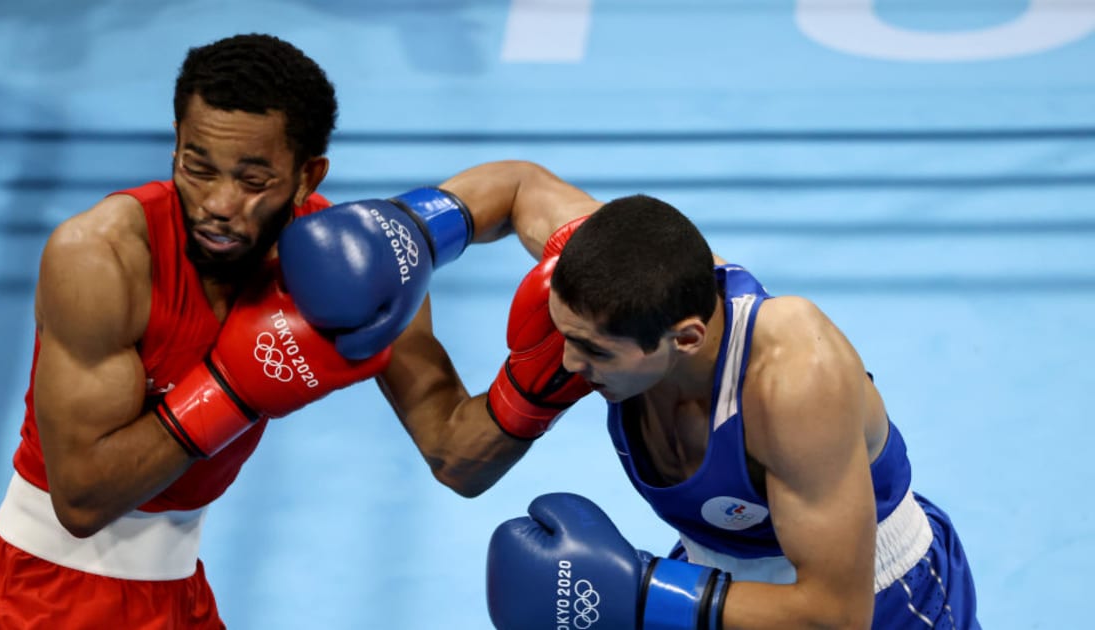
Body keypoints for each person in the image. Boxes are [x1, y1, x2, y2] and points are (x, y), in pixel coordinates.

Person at [0, 34, 538, 628]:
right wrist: (231, 389)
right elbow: (81, 500)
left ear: (307, 176)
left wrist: (546, 377)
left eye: (253, 181)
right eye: (197, 167)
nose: (218, 202)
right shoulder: (100, 255)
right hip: (47, 596)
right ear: (175, 147)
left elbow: (457, 456)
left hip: (178, 589)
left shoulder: (353, 266)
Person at [389, 161, 980, 628]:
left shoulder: (794, 378)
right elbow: (520, 185)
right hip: (715, 578)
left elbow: (833, 614)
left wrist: (641, 595)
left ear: (686, 339)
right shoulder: (606, 299)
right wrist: (407, 233)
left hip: (878, 602)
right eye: (566, 335)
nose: (569, 363)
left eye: (594, 351)